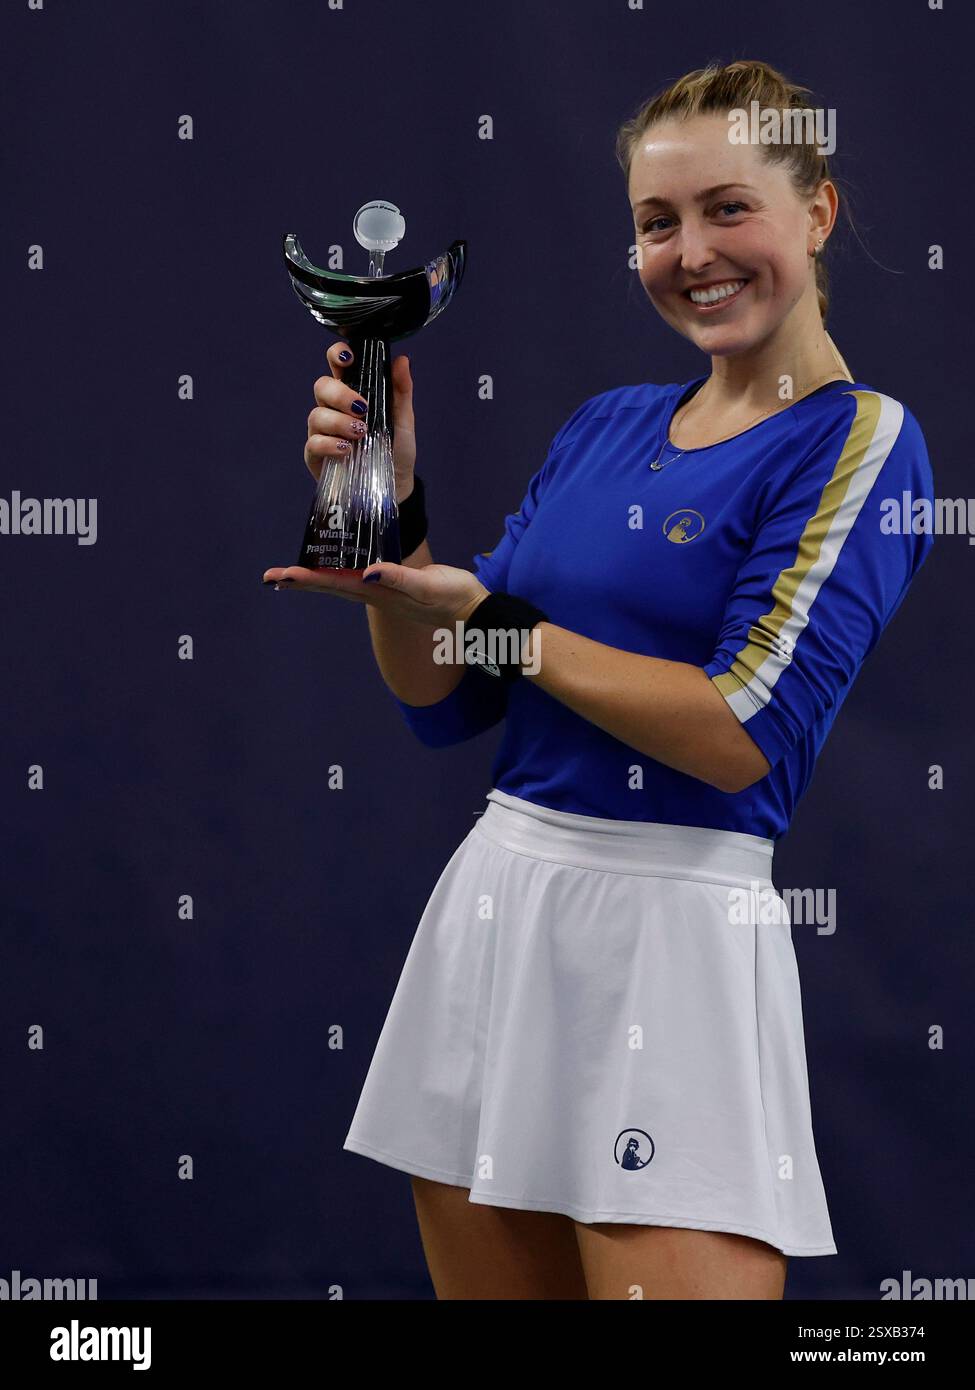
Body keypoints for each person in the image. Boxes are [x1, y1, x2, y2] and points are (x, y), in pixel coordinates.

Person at [263, 59, 935, 1300]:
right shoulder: (607, 424)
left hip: (673, 944)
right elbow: (445, 693)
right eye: (657, 222)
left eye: (730, 208)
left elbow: (745, 732)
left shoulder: (863, 438)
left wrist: (503, 623)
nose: (694, 251)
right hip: (500, 914)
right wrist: (391, 523)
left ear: (819, 212)